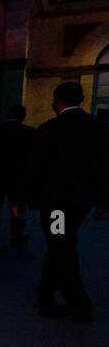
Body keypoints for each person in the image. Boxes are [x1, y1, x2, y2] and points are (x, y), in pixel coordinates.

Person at [29, 81, 109, 321]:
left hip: (56, 204)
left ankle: (78, 303)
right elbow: (105, 168)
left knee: (61, 247)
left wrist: (27, 199)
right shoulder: (100, 128)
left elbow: (37, 170)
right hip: (82, 201)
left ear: (56, 101)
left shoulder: (48, 129)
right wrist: (104, 201)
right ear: (82, 99)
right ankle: (45, 291)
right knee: (61, 243)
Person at [0, 104, 35, 251]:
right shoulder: (30, 133)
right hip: (18, 179)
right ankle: (16, 237)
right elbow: (33, 158)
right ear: (23, 116)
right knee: (18, 208)